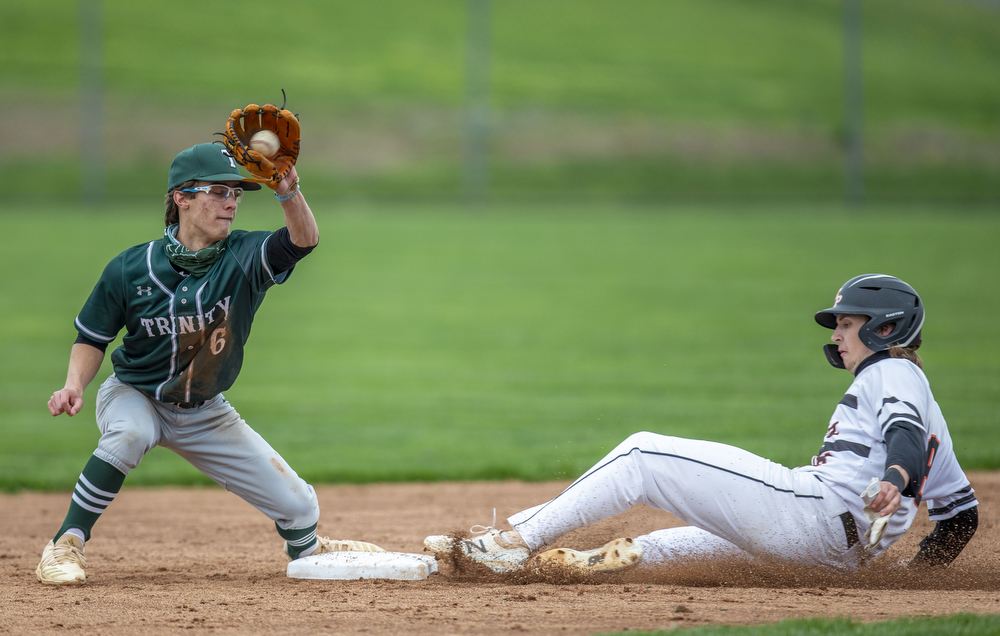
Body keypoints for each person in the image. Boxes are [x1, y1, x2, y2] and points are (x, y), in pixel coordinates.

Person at [425, 274, 979, 573]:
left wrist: (897, 478)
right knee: (662, 549)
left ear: (885, 330)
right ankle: (568, 565)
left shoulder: (892, 375)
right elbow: (962, 515)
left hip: (812, 517)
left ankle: (512, 543)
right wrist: (910, 581)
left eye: (848, 323)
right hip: (840, 553)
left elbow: (902, 437)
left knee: (643, 455)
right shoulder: (930, 408)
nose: (836, 334)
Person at [36, 143, 383, 585]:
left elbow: (303, 241)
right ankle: (65, 542)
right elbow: (93, 337)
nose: (231, 202)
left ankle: (310, 548)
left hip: (205, 411)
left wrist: (288, 192)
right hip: (135, 395)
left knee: (300, 506)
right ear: (181, 197)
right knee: (130, 433)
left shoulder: (243, 256)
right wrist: (74, 385)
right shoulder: (129, 268)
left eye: (236, 193)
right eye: (218, 191)